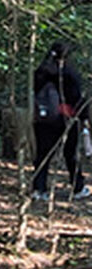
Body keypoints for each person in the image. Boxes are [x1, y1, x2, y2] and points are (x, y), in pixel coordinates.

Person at [31, 42, 91, 202]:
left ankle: (39, 188)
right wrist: (84, 118)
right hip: (67, 118)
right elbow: (77, 97)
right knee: (70, 154)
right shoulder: (69, 74)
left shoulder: (41, 72)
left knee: (43, 153)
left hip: (44, 119)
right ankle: (77, 187)